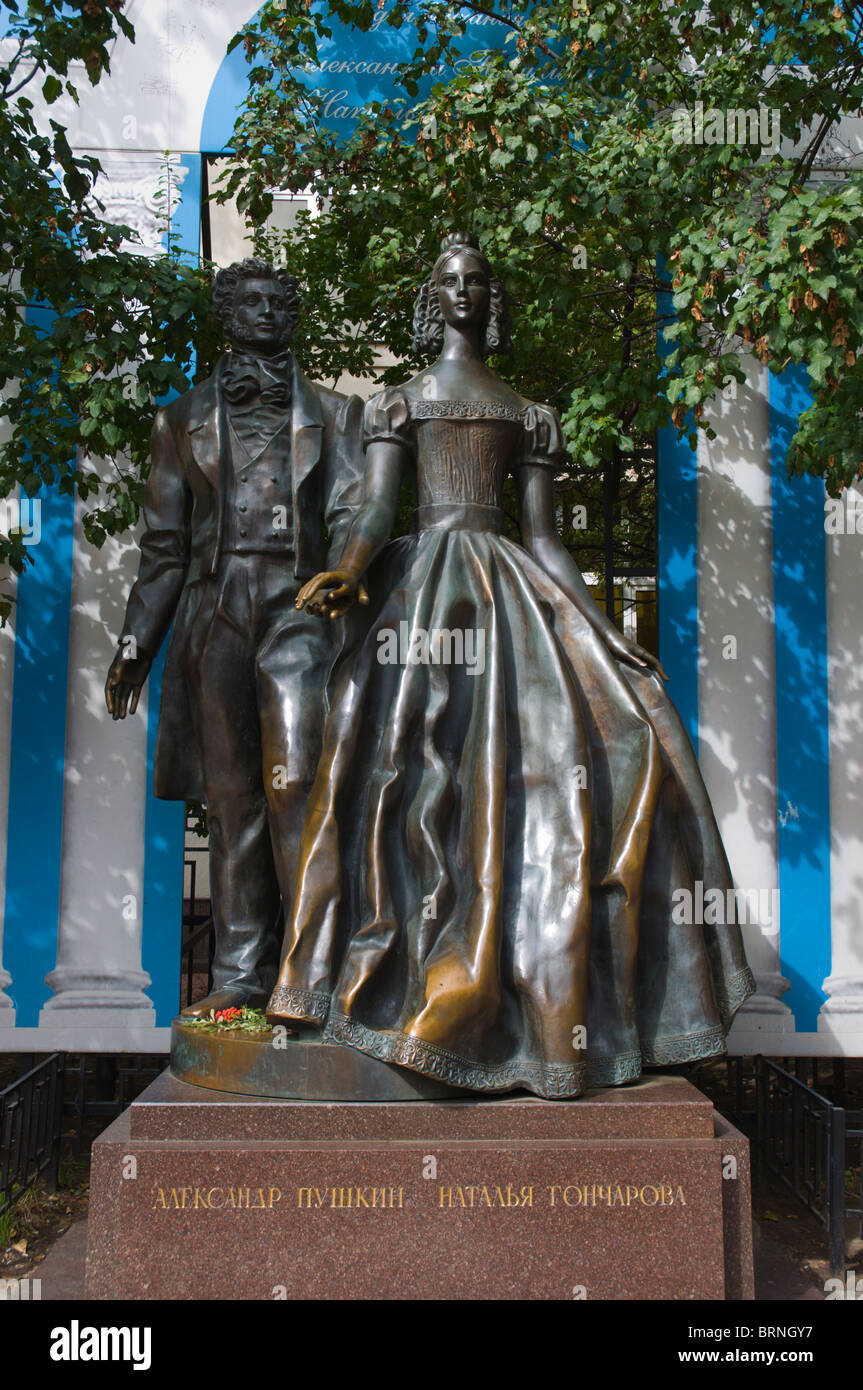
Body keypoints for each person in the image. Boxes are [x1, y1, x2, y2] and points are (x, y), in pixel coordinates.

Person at [266, 232, 755, 1098]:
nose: (463, 294)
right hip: (424, 591)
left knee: (620, 739)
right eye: (449, 282)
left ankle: (545, 1006)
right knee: (400, 775)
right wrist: (346, 568)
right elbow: (378, 508)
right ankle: (372, 978)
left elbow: (546, 541)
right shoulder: (399, 402)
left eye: (477, 283)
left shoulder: (528, 413)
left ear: (492, 300)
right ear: (431, 299)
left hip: (512, 588)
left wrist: (603, 630)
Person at [105, 258, 363, 1017]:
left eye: (278, 302)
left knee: (297, 787)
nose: (265, 313)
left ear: (292, 316)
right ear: (227, 312)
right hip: (213, 609)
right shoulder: (179, 419)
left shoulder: (339, 414)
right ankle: (243, 973)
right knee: (231, 801)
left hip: (299, 607)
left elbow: (351, 508)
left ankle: (311, 969)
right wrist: (133, 644)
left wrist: (346, 567)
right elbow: (163, 548)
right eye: (249, 302)